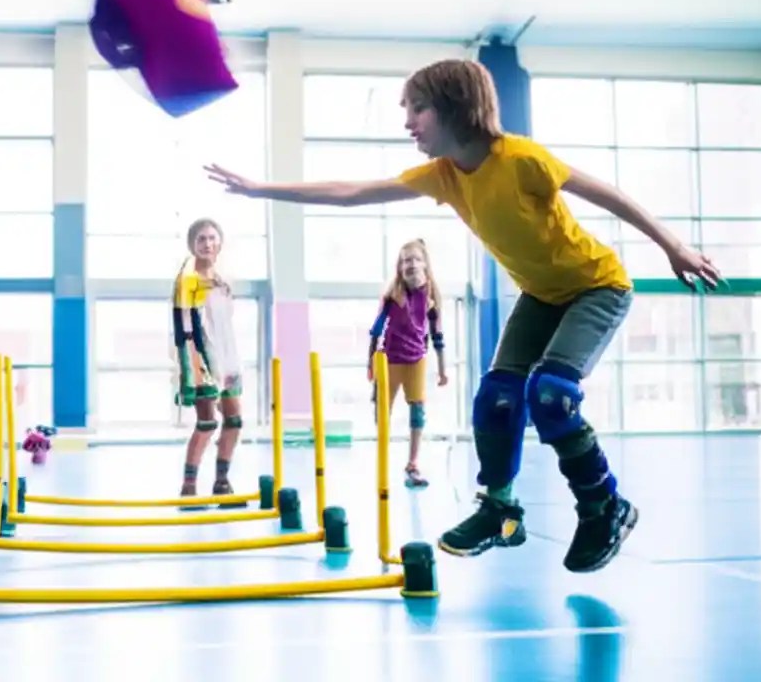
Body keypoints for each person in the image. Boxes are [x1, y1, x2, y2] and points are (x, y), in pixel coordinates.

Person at [203, 58, 722, 573]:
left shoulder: (521, 159)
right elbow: (351, 194)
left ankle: (605, 506)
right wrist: (259, 189)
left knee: (551, 393)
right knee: (496, 398)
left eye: (418, 109)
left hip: (596, 287)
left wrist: (673, 246)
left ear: (456, 108)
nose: (408, 123)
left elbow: (608, 195)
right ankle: (500, 509)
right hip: (541, 295)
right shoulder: (444, 176)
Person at [171, 218, 245, 507]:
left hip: (228, 356)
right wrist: (191, 366)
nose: (207, 243)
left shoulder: (223, 279)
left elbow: (225, 321)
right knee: (206, 422)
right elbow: (183, 325)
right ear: (192, 244)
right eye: (201, 239)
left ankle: (221, 482)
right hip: (201, 356)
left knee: (234, 420)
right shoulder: (187, 279)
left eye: (212, 238)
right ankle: (189, 486)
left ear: (220, 242)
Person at [368, 238, 448, 488]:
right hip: (389, 359)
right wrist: (370, 363)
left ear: (425, 264)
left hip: (416, 360)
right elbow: (376, 330)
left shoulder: (432, 296)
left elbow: (437, 333)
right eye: (405, 261)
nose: (410, 264)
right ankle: (381, 458)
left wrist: (443, 369)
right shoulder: (393, 296)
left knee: (417, 410)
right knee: (383, 412)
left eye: (415, 259)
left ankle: (412, 464)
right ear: (399, 268)